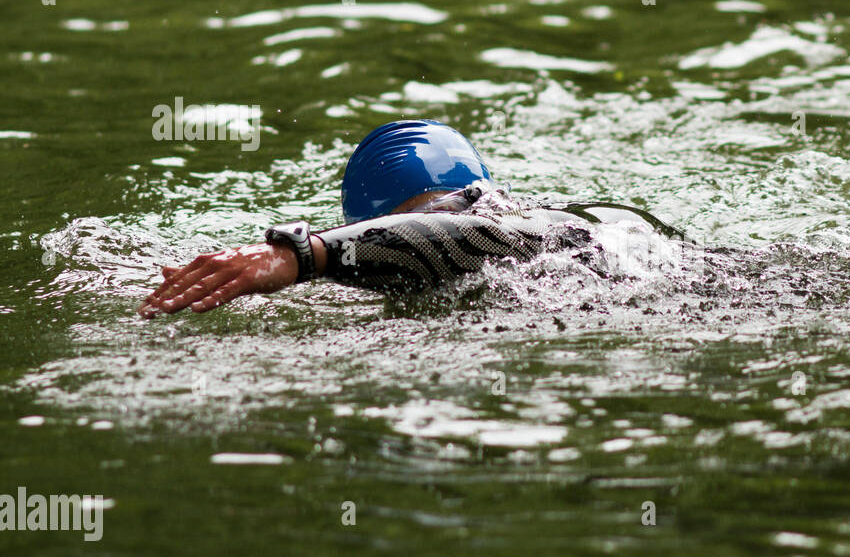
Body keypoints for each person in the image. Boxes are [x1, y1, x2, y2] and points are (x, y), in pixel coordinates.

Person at [137, 119, 681, 318]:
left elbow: (480, 236)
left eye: (463, 206)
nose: (459, 219)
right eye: (430, 214)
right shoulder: (583, 230)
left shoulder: (559, 228)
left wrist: (305, 254)